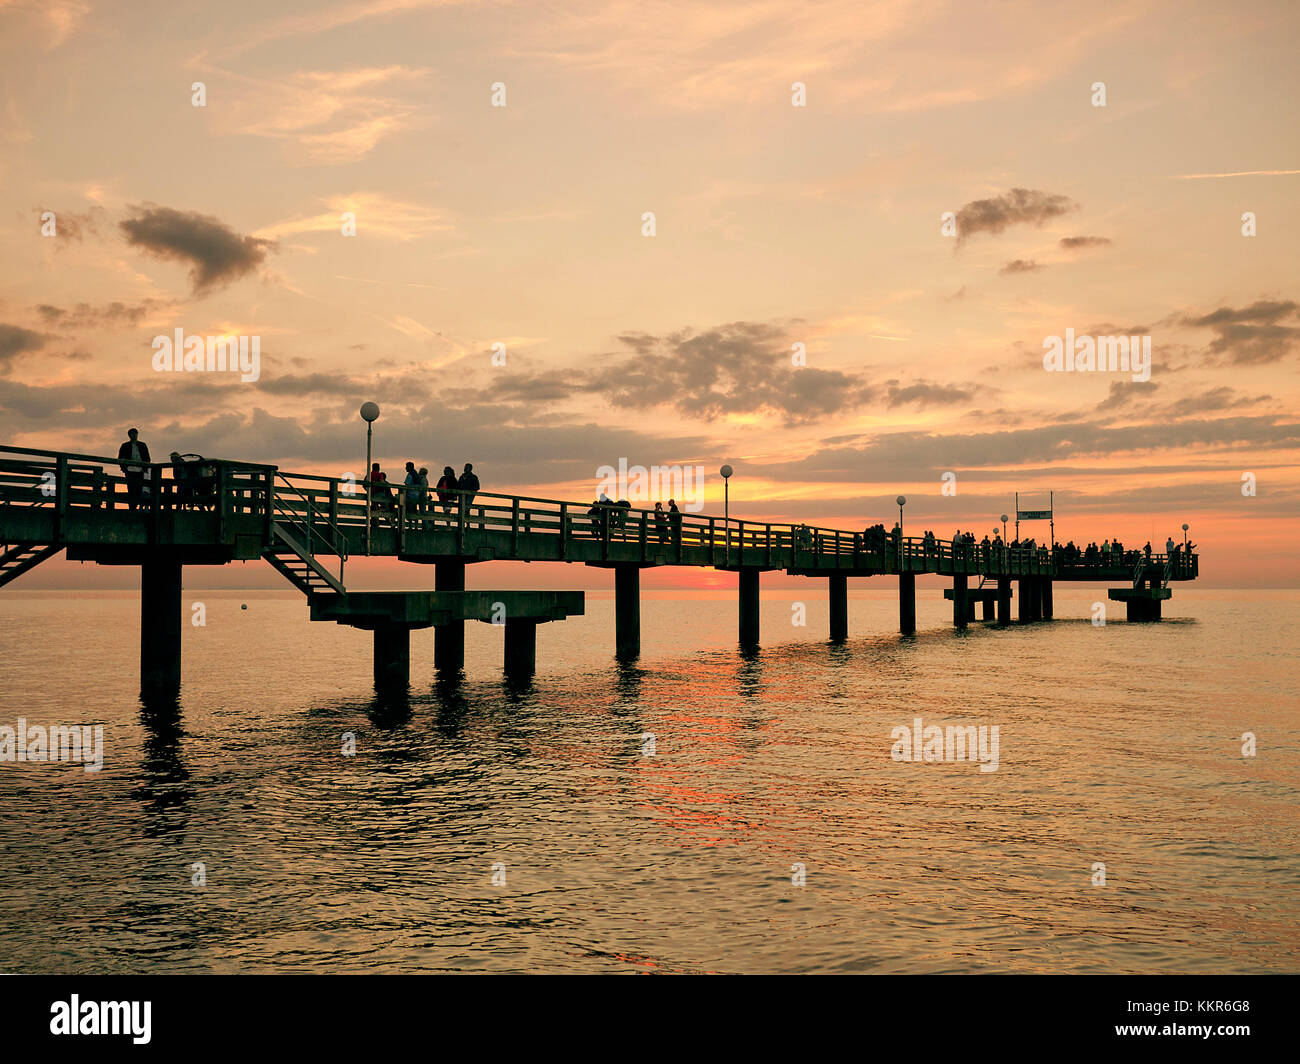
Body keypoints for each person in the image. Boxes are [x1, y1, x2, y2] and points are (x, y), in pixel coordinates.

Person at [117, 428, 150, 511]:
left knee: (139, 490)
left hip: (140, 470)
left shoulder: (142, 445)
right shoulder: (125, 445)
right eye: (132, 434)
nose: (134, 435)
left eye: (135, 433)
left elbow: (147, 458)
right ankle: (132, 508)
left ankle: (136, 507)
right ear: (129, 435)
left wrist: (145, 468)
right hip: (130, 470)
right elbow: (120, 458)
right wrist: (124, 469)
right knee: (131, 489)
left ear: (137, 434)